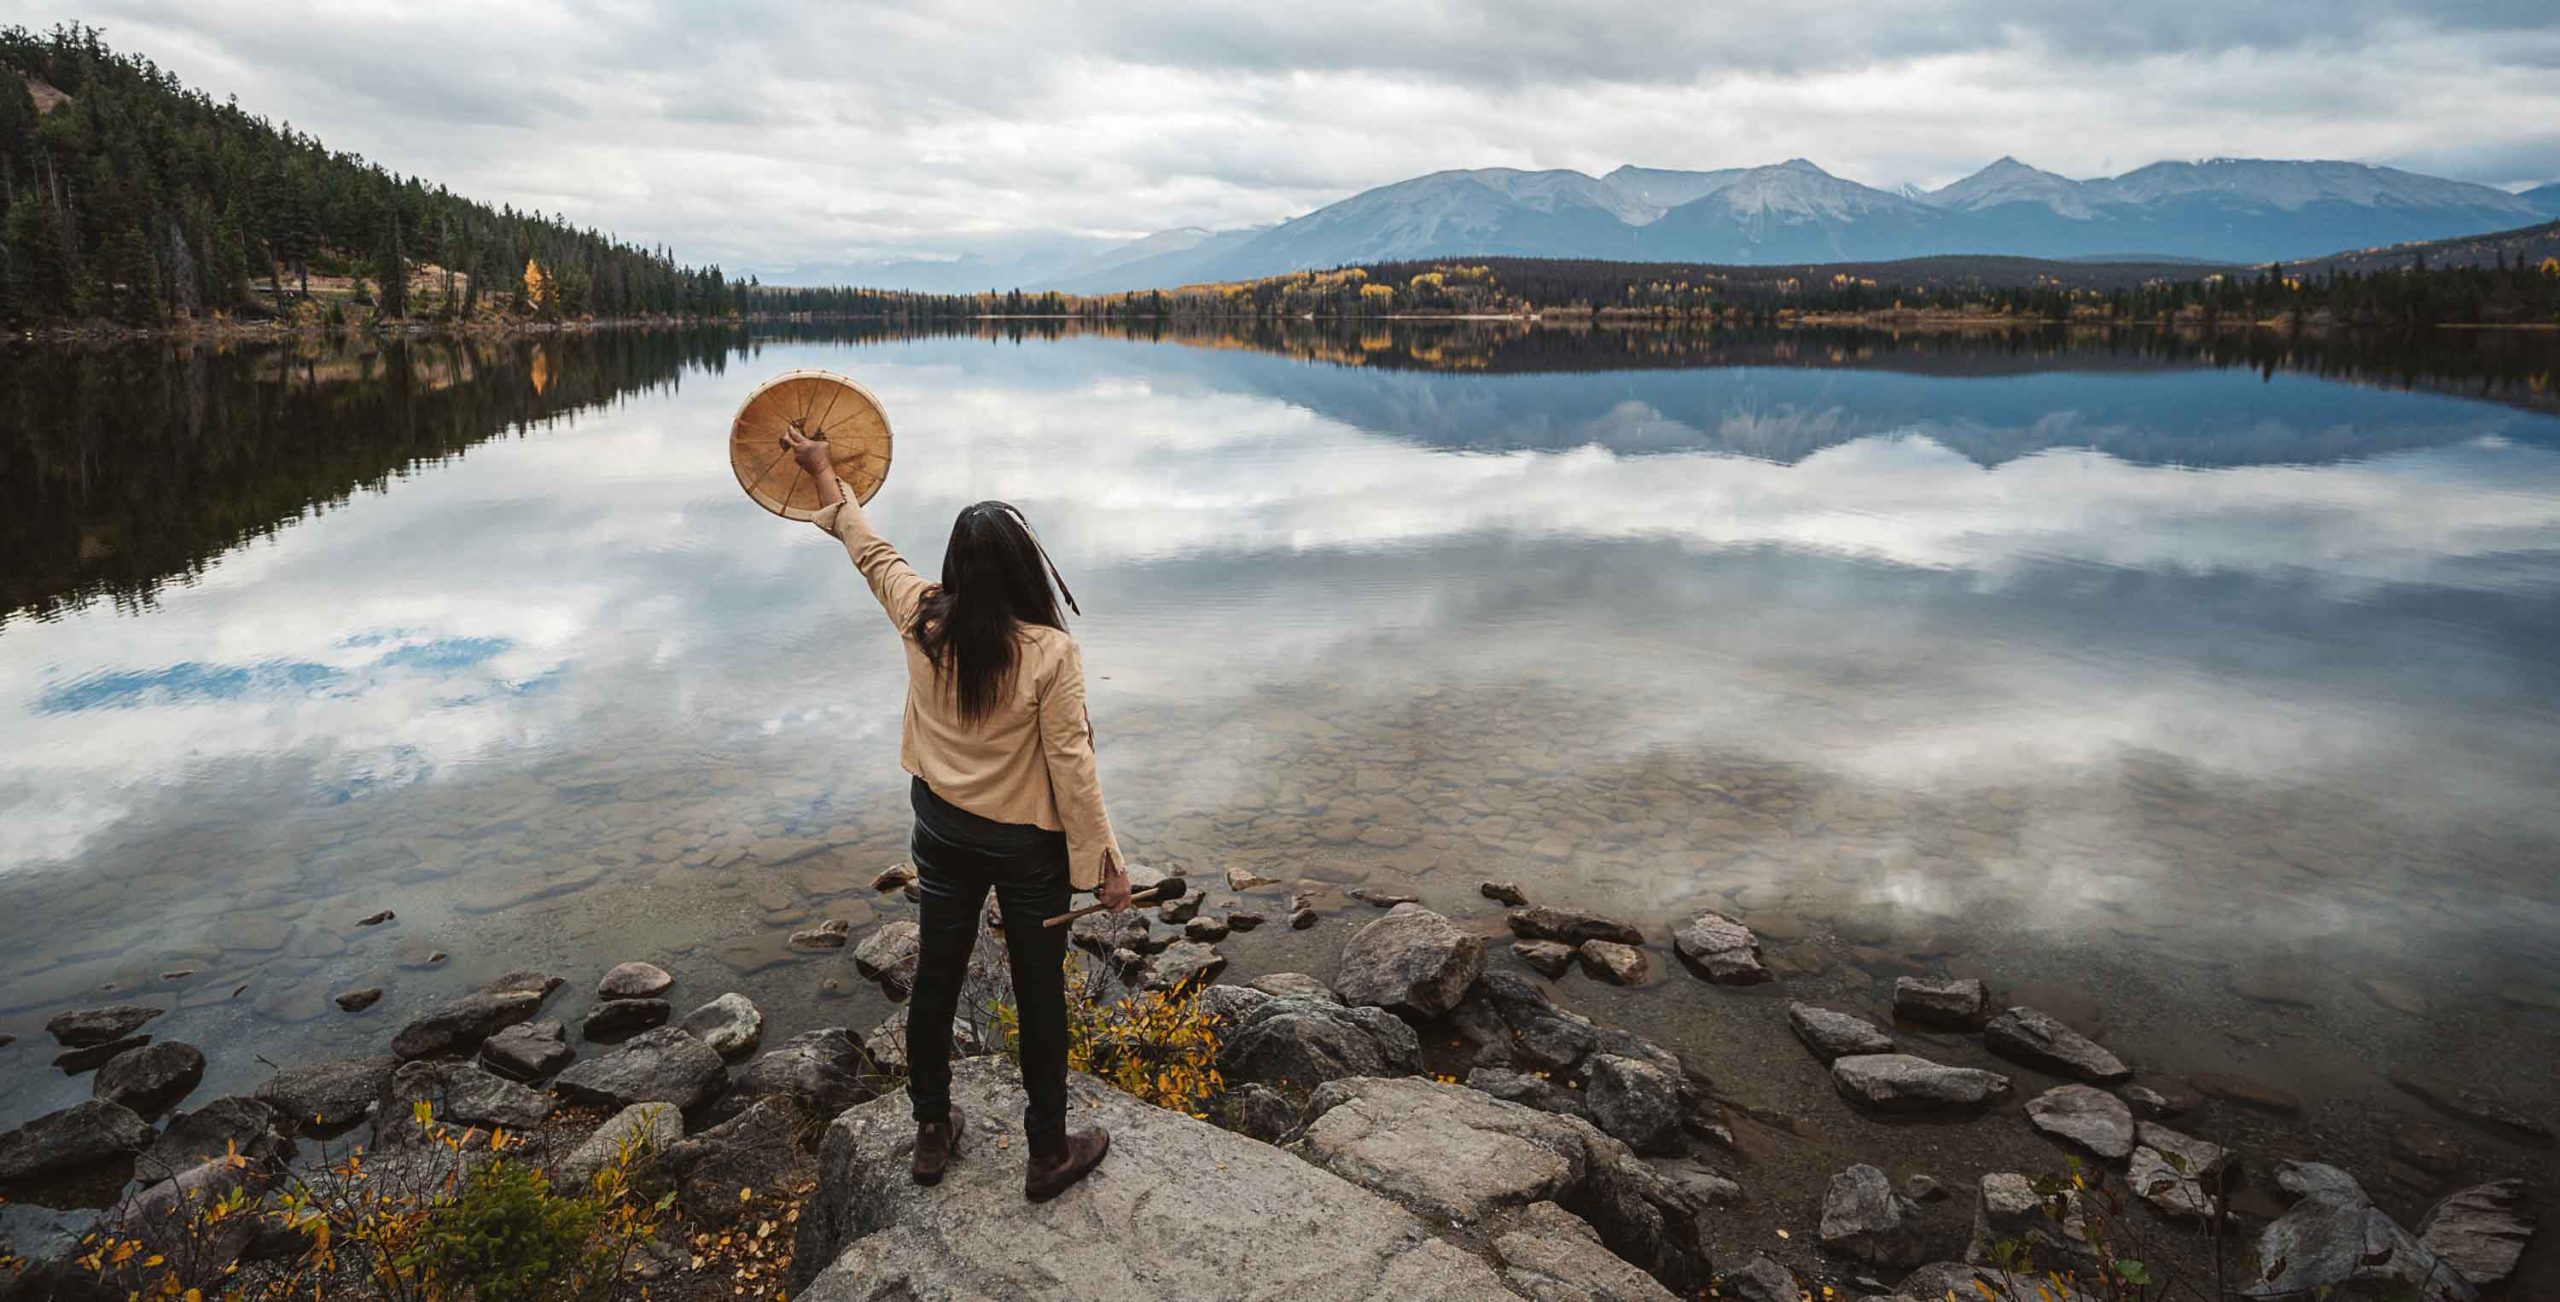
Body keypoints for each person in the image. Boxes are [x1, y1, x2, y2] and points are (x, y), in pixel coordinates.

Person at [781, 426, 1130, 1201]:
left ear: (956, 568)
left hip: (940, 830)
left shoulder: (922, 616)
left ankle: (932, 1131)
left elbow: (871, 552)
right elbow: (1071, 764)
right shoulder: (1049, 653)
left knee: (937, 977)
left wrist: (824, 473)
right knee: (1039, 993)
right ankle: (1046, 1154)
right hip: (1024, 849)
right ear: (1023, 571)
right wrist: (1104, 867)